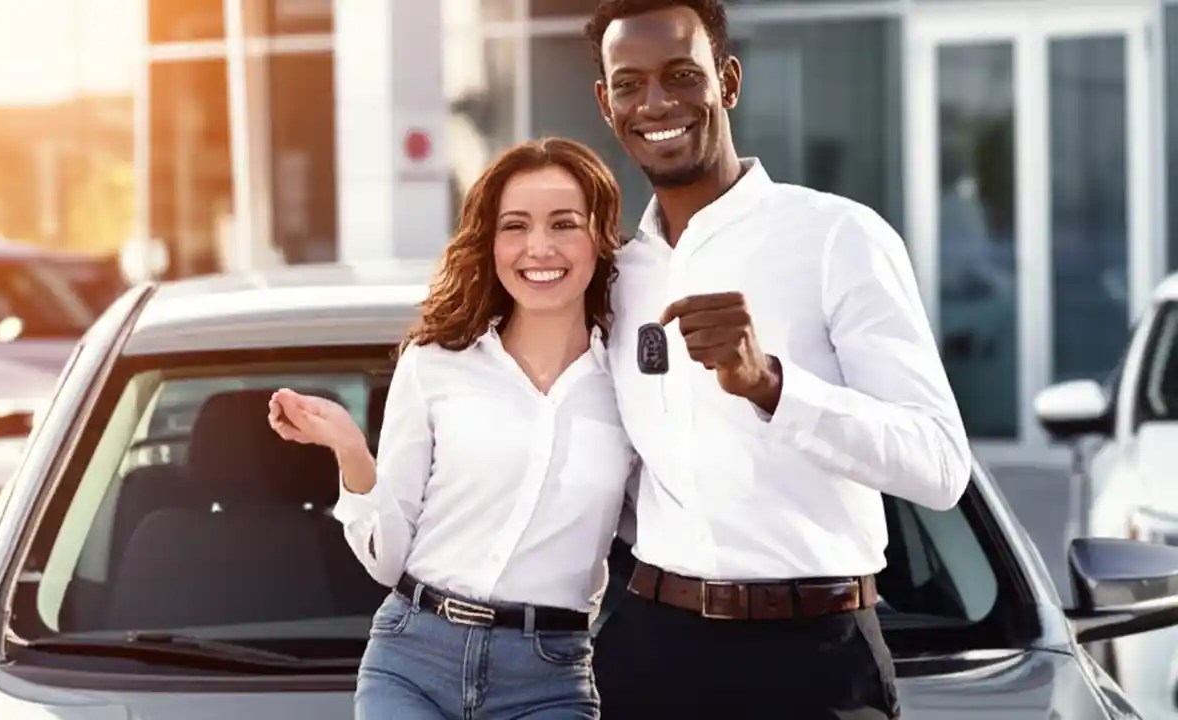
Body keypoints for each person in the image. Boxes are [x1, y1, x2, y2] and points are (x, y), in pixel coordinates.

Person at [582, 1, 971, 718]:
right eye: (630, 84)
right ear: (607, 104)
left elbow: (940, 466)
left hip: (813, 662)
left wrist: (772, 386)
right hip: (648, 654)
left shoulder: (838, 238)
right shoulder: (614, 277)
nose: (656, 103)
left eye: (681, 75)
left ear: (728, 82)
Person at [268, 137, 636, 719]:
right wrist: (350, 450)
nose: (539, 247)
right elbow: (388, 561)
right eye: (515, 226)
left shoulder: (631, 386)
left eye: (564, 224)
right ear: (490, 242)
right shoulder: (435, 363)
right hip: (412, 661)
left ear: (600, 236)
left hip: (549, 679)